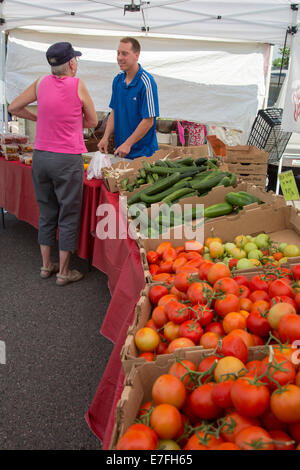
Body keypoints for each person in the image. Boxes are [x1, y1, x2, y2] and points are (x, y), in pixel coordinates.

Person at [8, 42, 98, 286]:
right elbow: (92, 121)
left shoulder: (40, 83)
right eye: (75, 60)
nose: (76, 63)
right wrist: (71, 120)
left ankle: (46, 265)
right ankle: (64, 272)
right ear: (71, 63)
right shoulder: (78, 85)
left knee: (47, 211)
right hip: (67, 159)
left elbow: (14, 107)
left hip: (40, 157)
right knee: (68, 213)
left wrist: (38, 117)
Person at [98, 37, 159, 160]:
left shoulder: (147, 82)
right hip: (122, 152)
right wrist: (105, 137)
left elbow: (148, 121)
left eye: (124, 54)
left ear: (136, 55)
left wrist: (128, 144)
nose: (119, 57)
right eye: (118, 53)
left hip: (143, 155)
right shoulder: (117, 80)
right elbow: (114, 111)